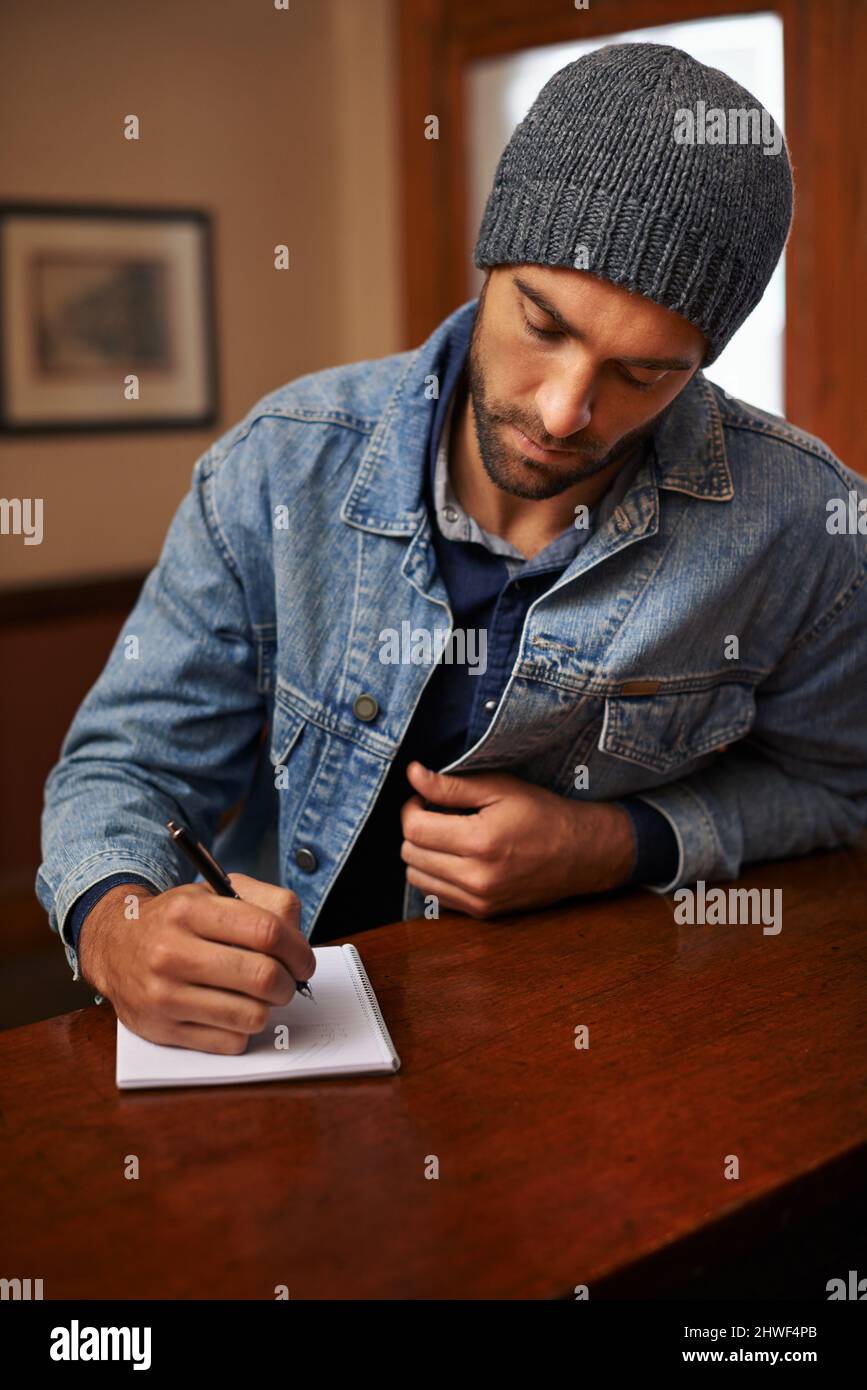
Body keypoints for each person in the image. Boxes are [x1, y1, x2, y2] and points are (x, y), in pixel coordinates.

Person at [37, 43, 867, 1055]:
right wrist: (114, 922)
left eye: (644, 374)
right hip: (276, 1063)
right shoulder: (279, 467)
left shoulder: (802, 522)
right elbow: (124, 766)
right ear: (490, 258)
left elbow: (841, 790)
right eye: (541, 323)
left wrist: (616, 844)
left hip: (611, 1073)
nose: (565, 410)